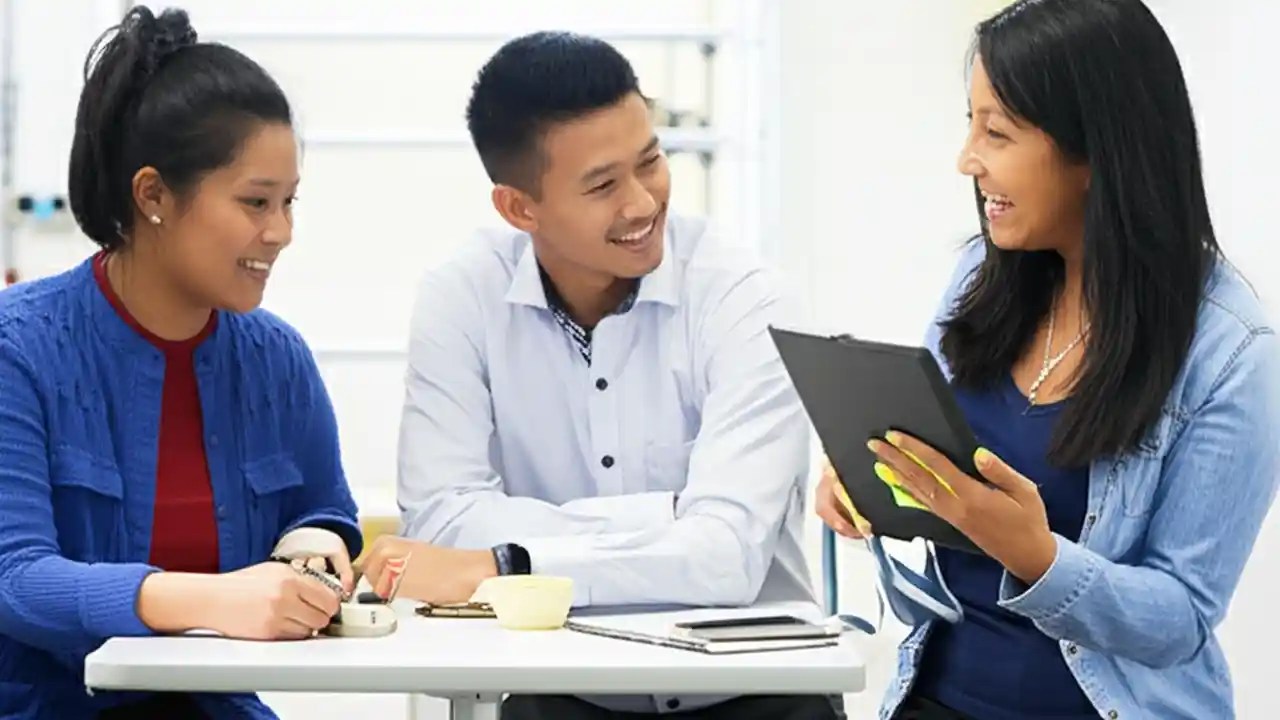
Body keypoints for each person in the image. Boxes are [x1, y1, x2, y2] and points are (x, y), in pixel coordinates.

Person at [815, 1, 1279, 719]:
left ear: (1096, 149)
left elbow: (1182, 617)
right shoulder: (980, 277)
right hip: (933, 699)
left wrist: (1039, 556)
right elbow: (935, 473)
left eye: (996, 133)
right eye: (971, 125)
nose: (967, 160)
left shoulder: (1232, 352)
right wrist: (867, 478)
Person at [358, 32, 839, 720]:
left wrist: (509, 563)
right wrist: (669, 517)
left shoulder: (745, 299)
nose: (642, 203)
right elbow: (440, 522)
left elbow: (727, 556)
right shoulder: (462, 299)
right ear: (519, 208)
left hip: (759, 692)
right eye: (603, 185)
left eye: (651, 161)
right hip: (562, 689)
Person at [0, 7, 363, 719]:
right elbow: (15, 578)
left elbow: (325, 509)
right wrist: (214, 599)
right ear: (154, 196)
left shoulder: (277, 358)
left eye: (289, 202)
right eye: (255, 202)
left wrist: (315, 543)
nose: (281, 232)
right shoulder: (20, 347)